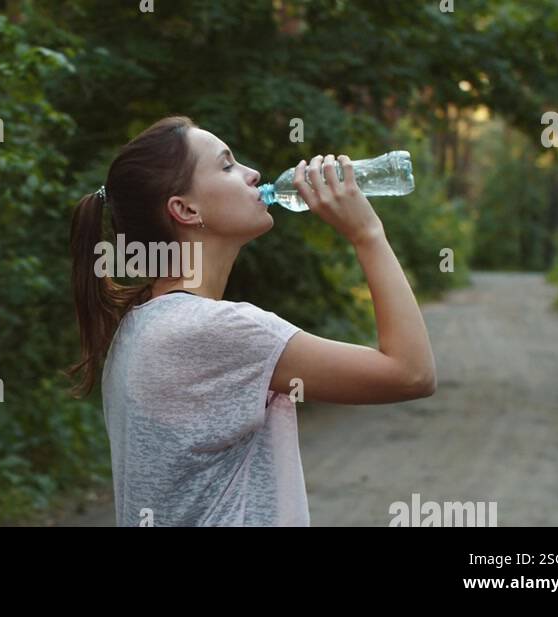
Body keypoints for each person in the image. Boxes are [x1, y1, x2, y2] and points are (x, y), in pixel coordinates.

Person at [67, 116, 436, 526]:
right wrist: (367, 232)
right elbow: (411, 373)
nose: (252, 174)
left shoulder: (142, 325)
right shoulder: (211, 330)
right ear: (185, 209)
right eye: (227, 166)